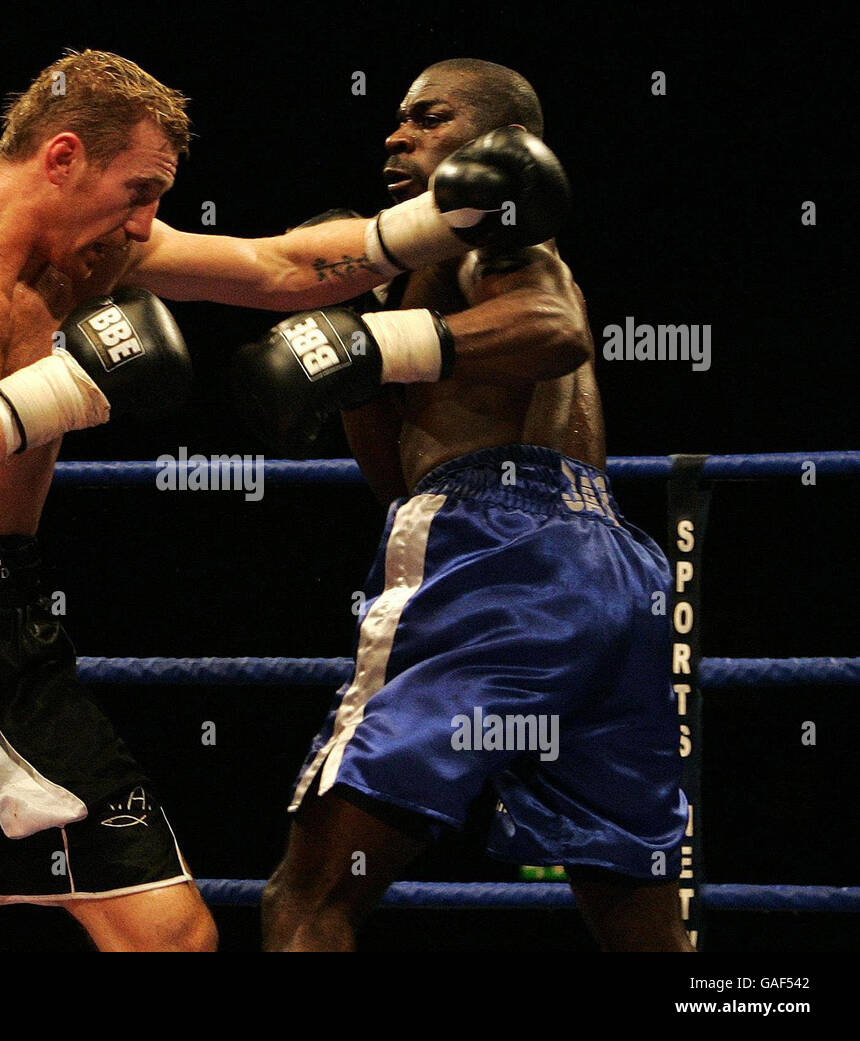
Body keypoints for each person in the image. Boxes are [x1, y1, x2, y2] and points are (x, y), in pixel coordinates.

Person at [0, 50, 563, 952]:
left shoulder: (95, 258)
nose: (146, 224)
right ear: (64, 156)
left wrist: (443, 222)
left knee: (170, 933)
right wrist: (70, 388)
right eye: (141, 190)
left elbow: (278, 267)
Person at [239, 59, 692, 951]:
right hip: (610, 571)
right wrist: (358, 361)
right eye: (398, 119)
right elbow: (399, 485)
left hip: (489, 555)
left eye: (428, 116)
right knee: (635, 912)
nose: (395, 134)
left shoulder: (487, 233)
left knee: (306, 896)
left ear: (499, 145)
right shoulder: (441, 272)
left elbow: (556, 333)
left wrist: (369, 342)